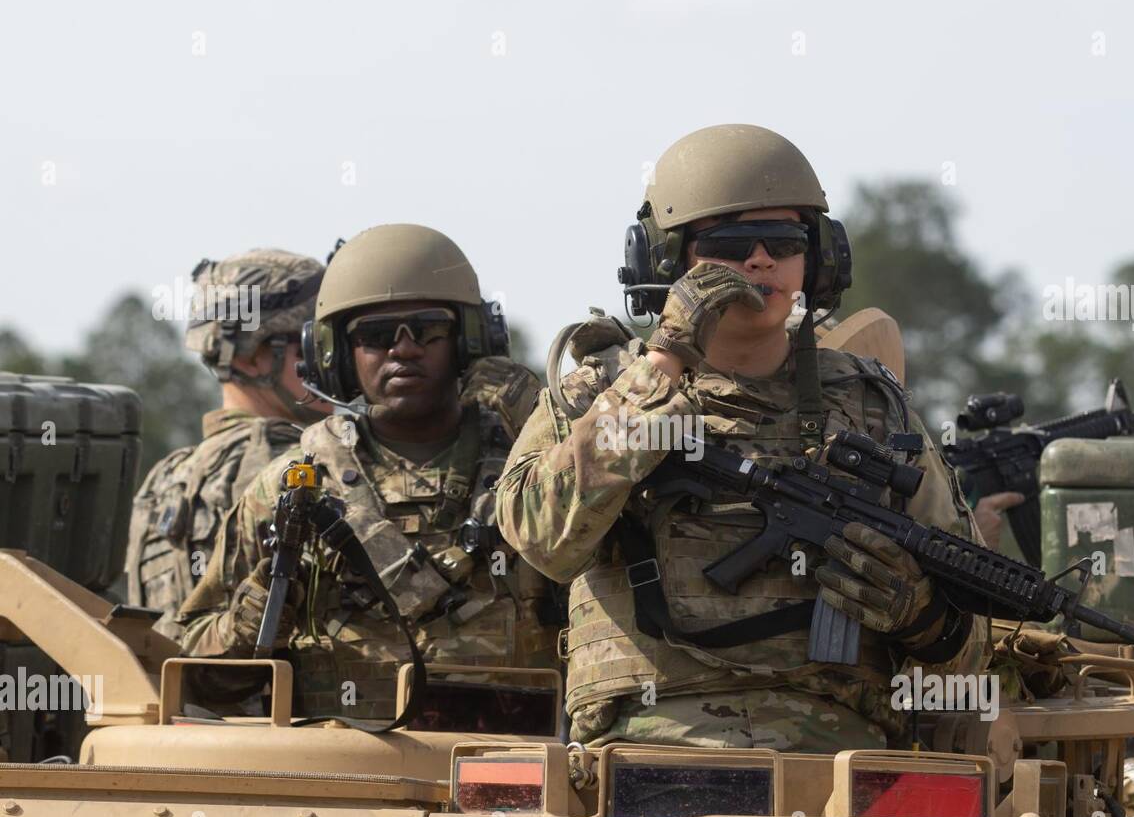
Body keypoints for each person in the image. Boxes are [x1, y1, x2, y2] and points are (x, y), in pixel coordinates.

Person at [497, 124, 990, 752]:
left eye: (784, 242)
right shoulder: (599, 393)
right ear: (667, 263)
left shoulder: (872, 407)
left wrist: (922, 617)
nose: (760, 261)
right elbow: (542, 539)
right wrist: (663, 362)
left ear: (819, 259)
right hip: (643, 754)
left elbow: (974, 654)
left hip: (837, 767)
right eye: (729, 243)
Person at [176, 224, 555, 724]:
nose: (404, 350)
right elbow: (197, 676)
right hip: (340, 781)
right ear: (332, 355)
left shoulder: (533, 470)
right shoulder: (292, 487)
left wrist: (545, 422)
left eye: (426, 330)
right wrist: (264, 606)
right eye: (376, 337)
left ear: (467, 340)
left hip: (516, 776)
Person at [125, 249, 329, 642]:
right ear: (253, 357)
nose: (333, 357)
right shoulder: (293, 466)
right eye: (313, 340)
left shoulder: (165, 475)